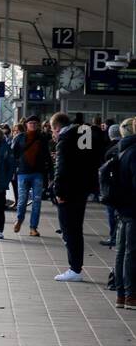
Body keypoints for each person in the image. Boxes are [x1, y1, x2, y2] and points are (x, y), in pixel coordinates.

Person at [51, 111, 92, 281]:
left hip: (68, 192)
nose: (52, 134)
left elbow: (62, 169)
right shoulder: (84, 134)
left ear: (57, 127)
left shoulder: (64, 140)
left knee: (69, 231)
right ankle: (76, 267)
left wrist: (59, 191)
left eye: (52, 130)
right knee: (76, 229)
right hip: (82, 189)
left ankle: (75, 269)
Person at [12, 114, 51, 236]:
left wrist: (51, 173)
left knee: (37, 201)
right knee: (22, 200)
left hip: (38, 173)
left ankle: (33, 228)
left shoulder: (43, 138)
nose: (33, 125)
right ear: (26, 125)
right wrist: (16, 166)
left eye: (35, 123)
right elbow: (13, 153)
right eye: (31, 123)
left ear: (38, 125)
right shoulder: (19, 138)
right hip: (23, 172)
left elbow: (47, 155)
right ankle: (19, 219)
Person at [111, 118, 136, 308]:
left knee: (121, 251)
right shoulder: (134, 152)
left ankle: (121, 294)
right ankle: (130, 294)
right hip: (133, 207)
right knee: (131, 252)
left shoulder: (120, 149)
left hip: (120, 206)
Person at [101, 123, 122, 247]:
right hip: (122, 186)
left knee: (111, 213)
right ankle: (117, 236)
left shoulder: (110, 149)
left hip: (112, 186)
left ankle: (113, 237)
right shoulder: (127, 147)